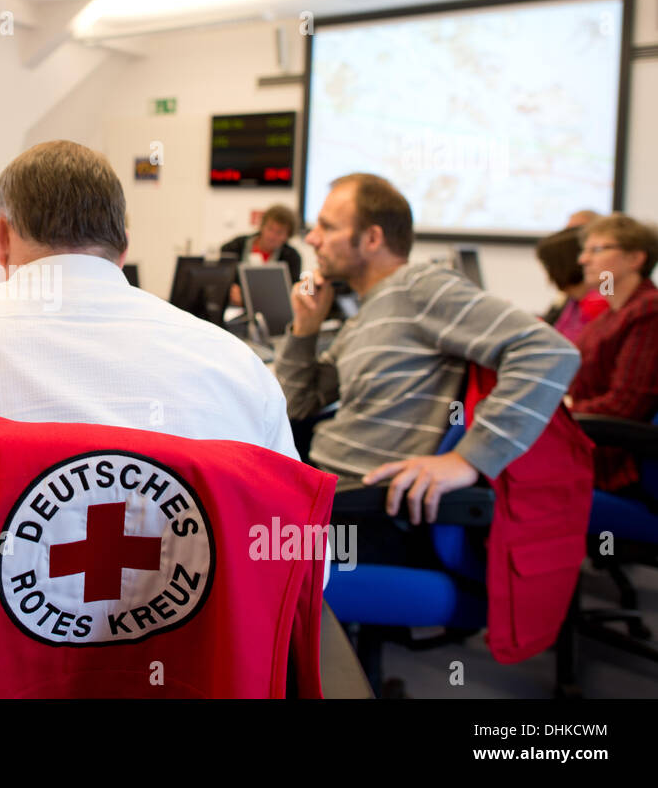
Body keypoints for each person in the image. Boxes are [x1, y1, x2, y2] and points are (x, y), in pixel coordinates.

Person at [0, 140, 298, 595]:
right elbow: (290, 565)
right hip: (187, 652)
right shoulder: (239, 364)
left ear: (0, 239)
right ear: (124, 246)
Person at [276, 173, 579, 540]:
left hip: (364, 512)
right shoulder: (369, 311)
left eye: (326, 227)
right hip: (325, 495)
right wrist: (305, 328)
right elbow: (296, 405)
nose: (312, 238)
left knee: (230, 542)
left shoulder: (420, 287)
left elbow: (550, 350)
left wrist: (469, 459)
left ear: (372, 239)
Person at [566, 213, 658, 492]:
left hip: (614, 465)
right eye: (584, 251)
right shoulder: (609, 316)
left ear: (635, 259)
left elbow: (624, 405)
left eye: (597, 249)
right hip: (588, 445)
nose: (583, 259)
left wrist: (558, 414)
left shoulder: (649, 312)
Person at [535, 226, 608, 343]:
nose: (548, 277)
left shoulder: (596, 304)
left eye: (548, 267)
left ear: (562, 266)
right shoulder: (574, 301)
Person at [220, 204, 302, 307]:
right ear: (262, 227)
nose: (272, 236)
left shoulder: (291, 258)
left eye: (279, 232)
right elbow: (220, 274)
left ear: (287, 236)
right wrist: (230, 287)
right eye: (270, 229)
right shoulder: (235, 246)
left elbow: (290, 294)